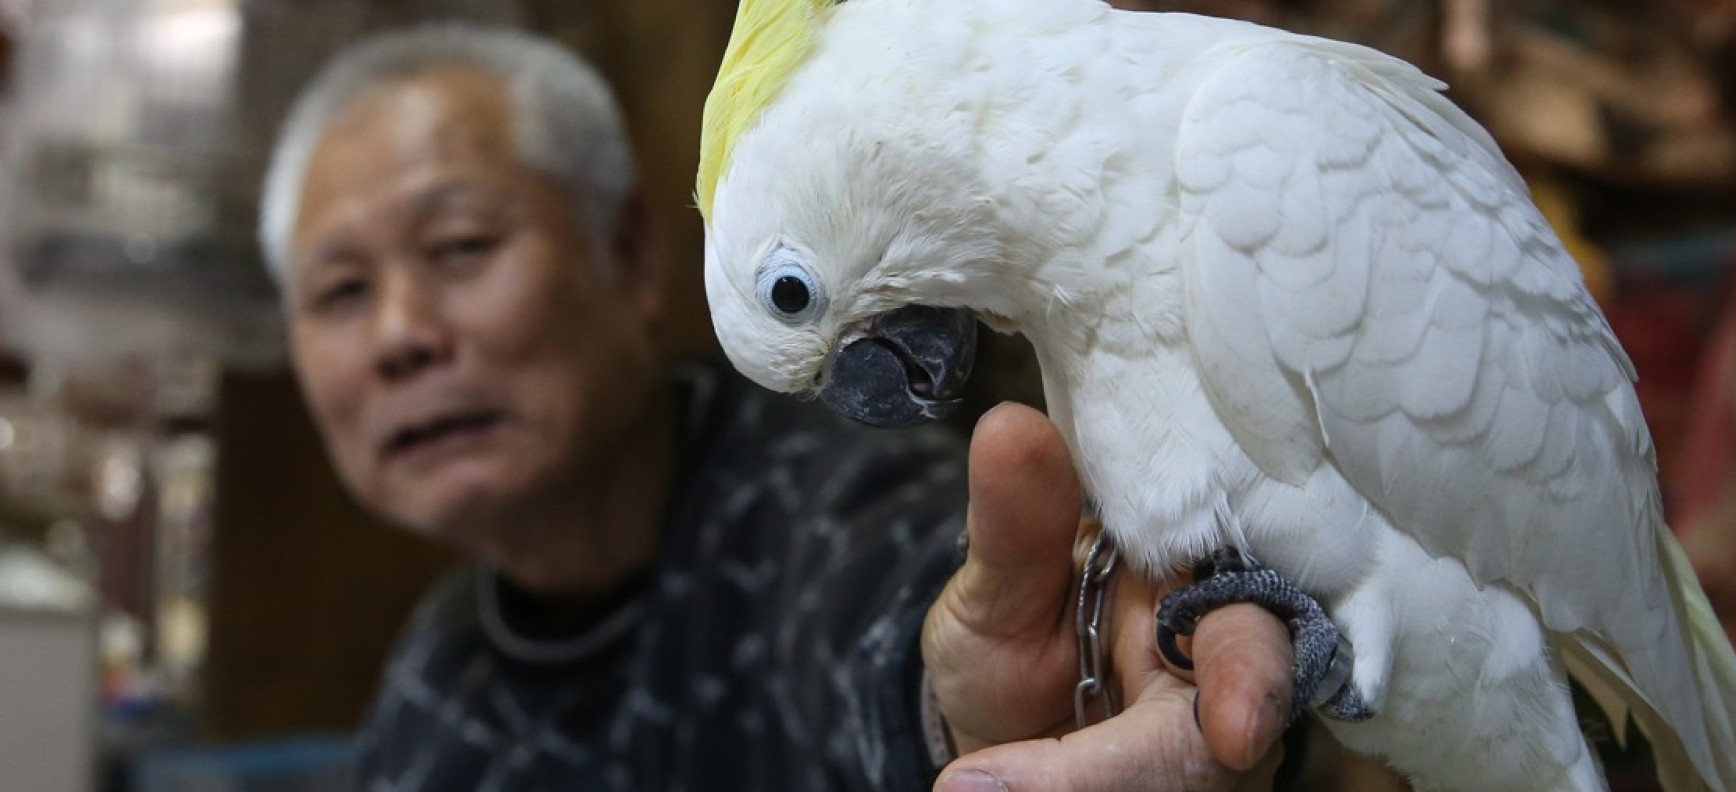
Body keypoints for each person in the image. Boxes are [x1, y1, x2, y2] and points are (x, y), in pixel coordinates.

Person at [258, 24, 1308, 791]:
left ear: (627, 254)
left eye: (459, 249)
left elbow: (903, 602)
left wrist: (989, 701)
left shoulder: (814, 499)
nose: (401, 334)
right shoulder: (433, 682)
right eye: (341, 291)